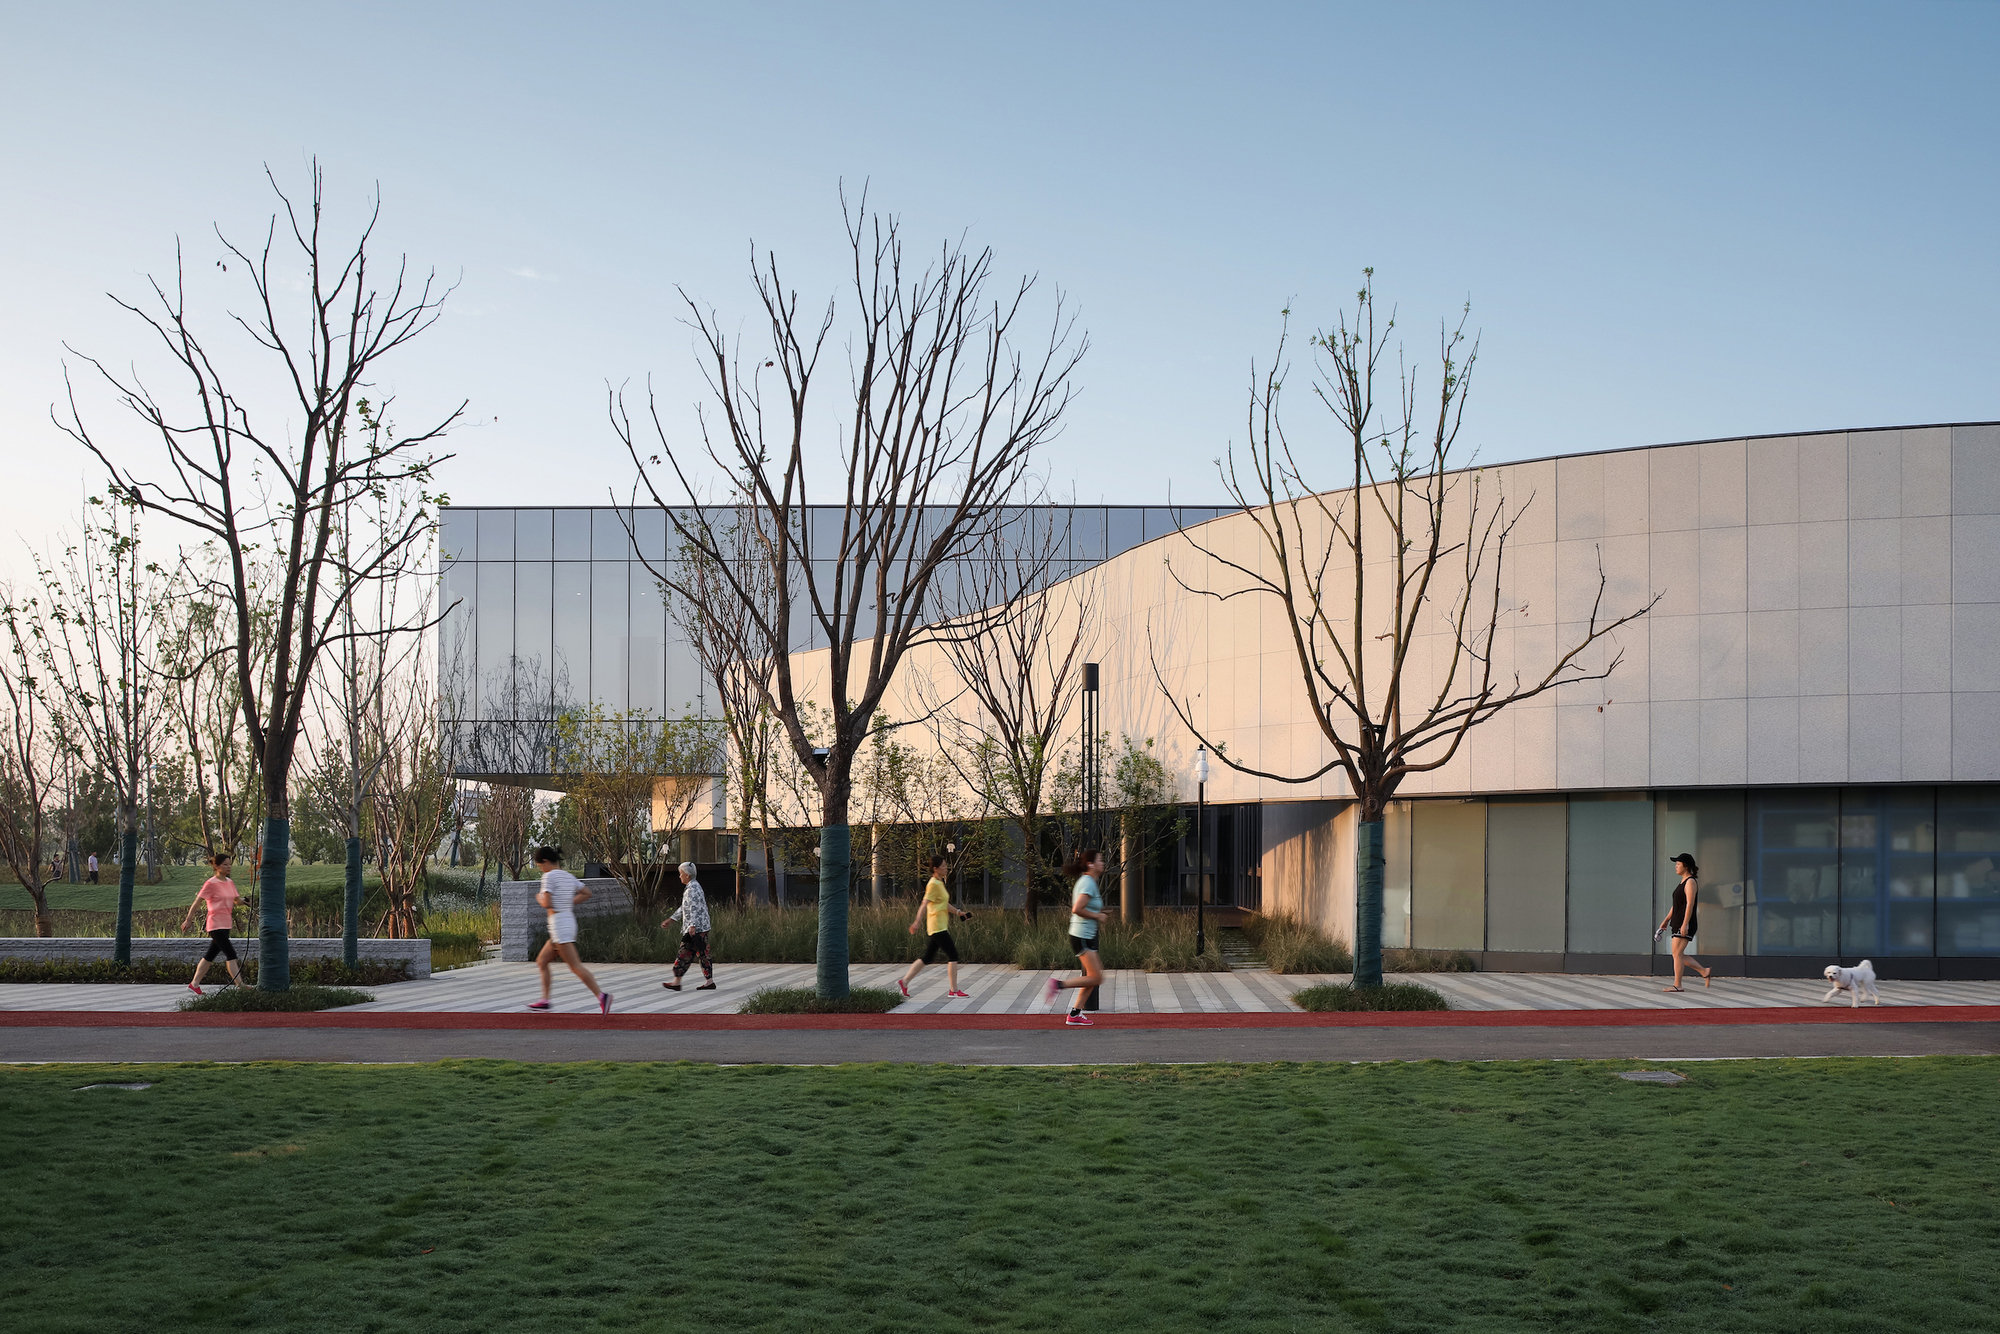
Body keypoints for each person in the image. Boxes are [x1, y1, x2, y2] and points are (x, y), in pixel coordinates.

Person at [528, 846, 612, 1014]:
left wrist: (538, 898)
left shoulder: (549, 876)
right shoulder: (568, 876)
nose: (541, 869)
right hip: (565, 922)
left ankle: (602, 996)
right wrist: (569, 902)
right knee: (542, 961)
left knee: (575, 966)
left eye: (539, 865)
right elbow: (587, 892)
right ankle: (544, 1000)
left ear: (545, 862)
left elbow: (547, 903)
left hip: (559, 925)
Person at [1041, 849, 1108, 1026]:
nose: (1103, 863)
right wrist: (1098, 916)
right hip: (1081, 936)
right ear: (1090, 864)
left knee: (1094, 977)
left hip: (1085, 935)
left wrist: (1097, 914)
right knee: (1096, 978)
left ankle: (1075, 1013)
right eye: (1100, 860)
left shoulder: (1090, 881)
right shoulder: (1087, 882)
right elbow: (1077, 909)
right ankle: (1058, 985)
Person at [899, 852, 971, 1000]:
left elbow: (943, 903)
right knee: (953, 955)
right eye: (944, 866)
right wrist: (917, 921)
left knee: (927, 957)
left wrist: (958, 912)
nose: (946, 868)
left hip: (938, 926)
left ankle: (904, 981)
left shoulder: (939, 883)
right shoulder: (933, 884)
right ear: (936, 869)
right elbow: (924, 903)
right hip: (937, 926)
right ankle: (954, 990)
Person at [180, 850, 246, 994]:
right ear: (216, 866)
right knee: (231, 954)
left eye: (230, 864)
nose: (229, 867)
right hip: (215, 924)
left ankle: (194, 984)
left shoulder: (230, 882)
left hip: (226, 923)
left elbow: (236, 901)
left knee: (210, 955)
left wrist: (245, 901)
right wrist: (188, 920)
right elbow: (197, 902)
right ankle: (240, 986)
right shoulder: (211, 883)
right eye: (225, 864)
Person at [1657, 853, 1713, 992]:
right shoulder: (1682, 882)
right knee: (1677, 954)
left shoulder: (1691, 882)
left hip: (1685, 922)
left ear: (1686, 866)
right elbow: (1676, 905)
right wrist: (1666, 920)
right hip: (1677, 921)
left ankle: (1678, 985)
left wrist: (1685, 924)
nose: (1676, 866)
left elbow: (1690, 904)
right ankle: (1704, 972)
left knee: (1677, 954)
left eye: (1678, 864)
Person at [661, 861, 716, 992]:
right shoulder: (694, 887)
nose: (679, 876)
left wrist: (692, 926)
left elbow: (694, 908)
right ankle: (709, 981)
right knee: (703, 953)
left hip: (695, 929)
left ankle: (676, 982)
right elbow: (685, 907)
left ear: (686, 875)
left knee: (684, 953)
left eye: (680, 874)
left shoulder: (692, 889)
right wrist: (672, 919)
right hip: (701, 927)